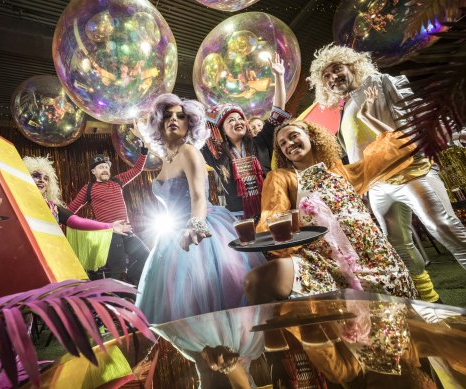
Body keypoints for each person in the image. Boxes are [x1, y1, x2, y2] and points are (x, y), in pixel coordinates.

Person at [308, 43, 466, 302]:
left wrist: (454, 133)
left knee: (444, 227)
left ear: (352, 66)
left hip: (411, 173)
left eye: (336, 69)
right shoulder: (344, 109)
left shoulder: (380, 83)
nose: (332, 77)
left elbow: (417, 114)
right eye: (326, 76)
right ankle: (429, 300)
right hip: (379, 187)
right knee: (398, 244)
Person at [243, 112, 418, 303]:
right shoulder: (282, 177)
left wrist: (368, 116)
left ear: (311, 137)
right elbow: (273, 217)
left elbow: (396, 148)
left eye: (293, 136)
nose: (289, 144)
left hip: (377, 258)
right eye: (282, 144)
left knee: (395, 321)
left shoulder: (340, 171)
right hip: (324, 262)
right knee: (257, 280)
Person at [136, 93, 266, 325]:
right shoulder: (167, 157)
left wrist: (195, 226)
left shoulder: (189, 151)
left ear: (190, 124)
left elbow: (199, 197)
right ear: (158, 122)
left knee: (207, 299)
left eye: (181, 116)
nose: (173, 119)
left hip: (199, 228)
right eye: (167, 115)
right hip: (172, 233)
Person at [202, 53, 290, 219]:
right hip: (239, 218)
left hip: (271, 209)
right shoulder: (216, 154)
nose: (238, 122)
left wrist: (278, 76)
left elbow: (277, 113)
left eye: (240, 118)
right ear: (222, 131)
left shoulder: (260, 142)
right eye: (231, 121)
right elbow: (192, 138)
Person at [22, 156, 131, 271]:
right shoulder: (16, 201)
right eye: (36, 175)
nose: (42, 180)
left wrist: (110, 226)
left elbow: (76, 221)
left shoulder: (53, 208)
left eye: (46, 178)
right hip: (22, 251)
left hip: (49, 255)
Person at [68, 150, 149, 286]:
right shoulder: (88, 189)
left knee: (145, 256)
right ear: (93, 171)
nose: (105, 169)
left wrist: (144, 151)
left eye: (106, 167)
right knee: (118, 269)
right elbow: (71, 211)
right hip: (109, 234)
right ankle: (120, 295)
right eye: (100, 167)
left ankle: (134, 286)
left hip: (126, 230)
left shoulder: (117, 181)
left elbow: (137, 169)